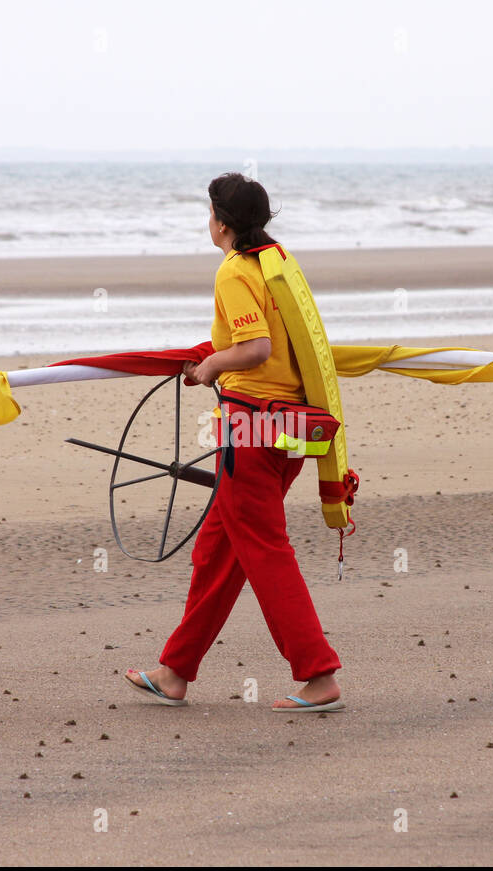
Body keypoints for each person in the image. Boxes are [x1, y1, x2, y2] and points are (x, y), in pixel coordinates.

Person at [125, 172, 344, 713]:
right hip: (289, 429)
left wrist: (208, 369)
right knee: (218, 554)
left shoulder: (233, 272)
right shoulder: (279, 263)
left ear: (220, 222)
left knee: (267, 554)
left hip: (249, 429)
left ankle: (319, 677)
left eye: (209, 212)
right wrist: (214, 355)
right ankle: (175, 672)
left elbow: (255, 349)